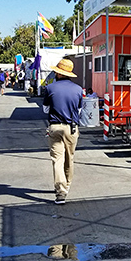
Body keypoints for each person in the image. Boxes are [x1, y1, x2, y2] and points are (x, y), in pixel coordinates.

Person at [42, 59, 83, 205]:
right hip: (71, 128)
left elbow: (45, 109)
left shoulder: (50, 88)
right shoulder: (78, 89)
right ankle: (67, 185)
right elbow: (79, 110)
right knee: (69, 158)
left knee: (57, 159)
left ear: (58, 73)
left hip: (55, 127)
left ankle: (60, 192)